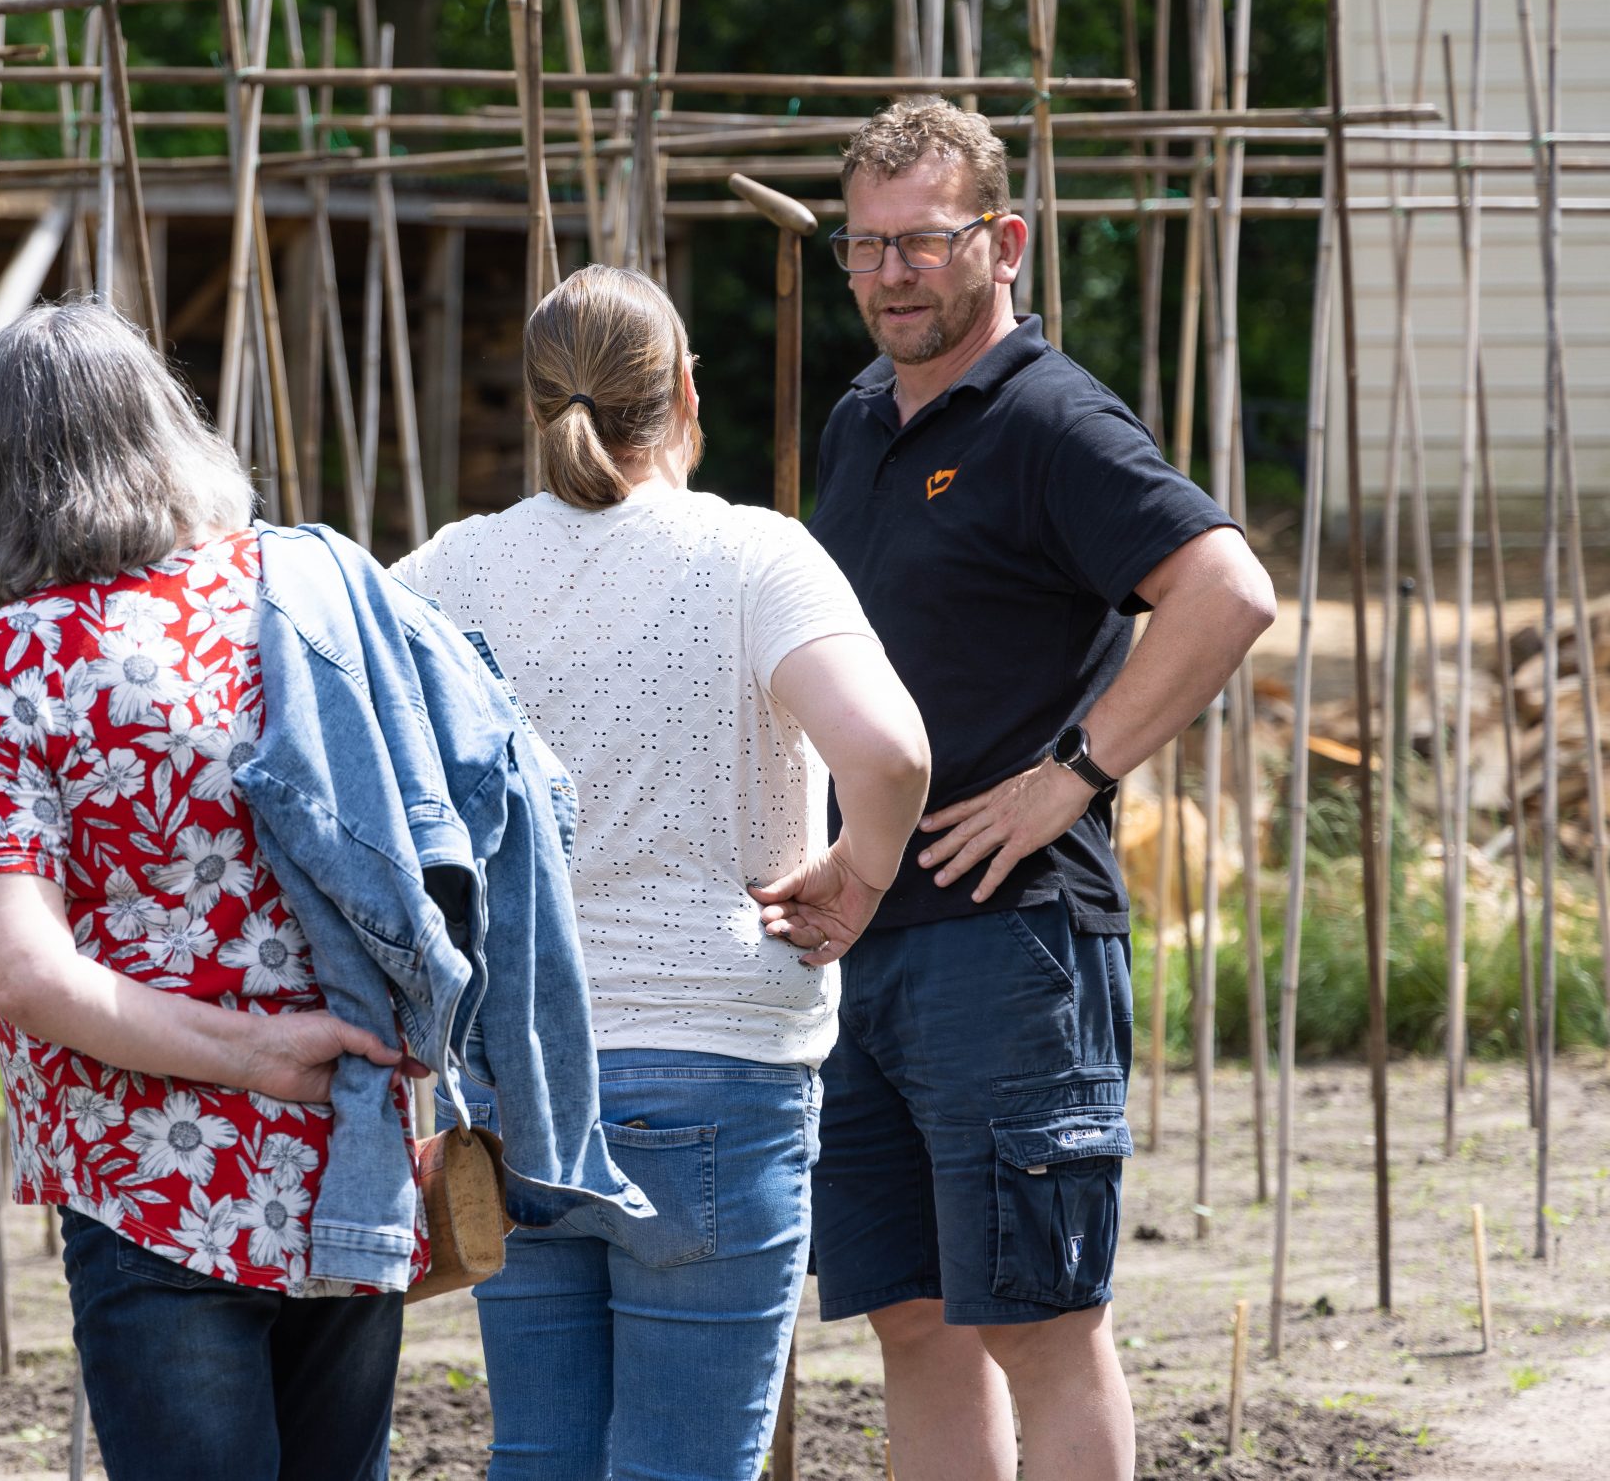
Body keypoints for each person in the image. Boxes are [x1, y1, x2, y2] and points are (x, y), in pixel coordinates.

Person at [390, 264, 932, 1480]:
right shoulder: (753, 558)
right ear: (687, 391)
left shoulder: (438, 578)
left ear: (538, 408)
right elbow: (892, 753)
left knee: (540, 1454)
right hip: (716, 1073)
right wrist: (860, 871)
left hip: (519, 1074)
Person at [805, 96, 1278, 1481]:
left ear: (1004, 241)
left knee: (1044, 1325)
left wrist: (1067, 778)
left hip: (1010, 946)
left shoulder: (1051, 420)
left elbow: (1226, 591)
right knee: (914, 1323)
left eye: (926, 244)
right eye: (867, 246)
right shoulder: (859, 422)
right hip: (873, 940)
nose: (893, 274)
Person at [0, 299, 425, 1481]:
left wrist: (249, 1055)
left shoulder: (14, 660)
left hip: (149, 1175)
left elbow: (24, 972)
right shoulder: (301, 597)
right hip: (349, 1141)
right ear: (168, 429)